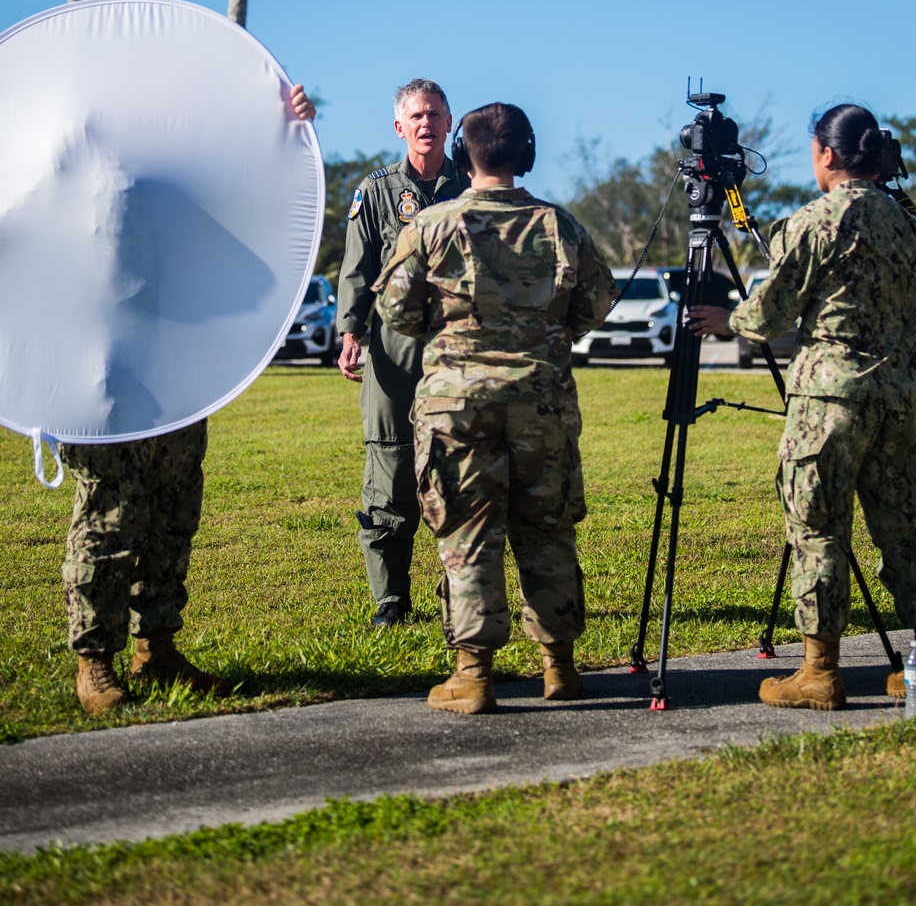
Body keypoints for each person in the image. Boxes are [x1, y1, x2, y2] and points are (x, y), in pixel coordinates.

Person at [689, 103, 916, 712]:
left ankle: (820, 671)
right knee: (905, 529)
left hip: (829, 404)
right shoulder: (903, 224)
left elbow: (769, 314)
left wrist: (726, 319)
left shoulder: (816, 221)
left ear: (829, 155)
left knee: (817, 531)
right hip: (899, 400)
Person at [64, 84, 317, 717]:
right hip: (106, 381)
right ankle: (95, 660)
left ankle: (159, 646)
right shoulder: (69, 190)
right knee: (108, 520)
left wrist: (283, 126)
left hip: (176, 375)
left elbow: (242, 182)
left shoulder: (175, 184)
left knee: (174, 512)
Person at [373, 102, 617, 714]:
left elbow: (396, 313)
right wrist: (539, 336)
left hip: (456, 408)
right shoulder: (560, 227)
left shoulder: (431, 226)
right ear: (526, 154)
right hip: (542, 405)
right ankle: (559, 667)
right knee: (547, 531)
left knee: (467, 532)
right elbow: (595, 304)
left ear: (462, 154)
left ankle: (473, 674)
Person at [336, 78, 468, 626]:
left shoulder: (472, 184)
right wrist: (350, 330)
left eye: (435, 114)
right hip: (392, 353)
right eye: (416, 115)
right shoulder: (378, 191)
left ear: (448, 122)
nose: (426, 123)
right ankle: (390, 598)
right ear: (399, 126)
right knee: (388, 470)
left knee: (456, 469)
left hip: (457, 350)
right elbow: (357, 266)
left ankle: (456, 593)